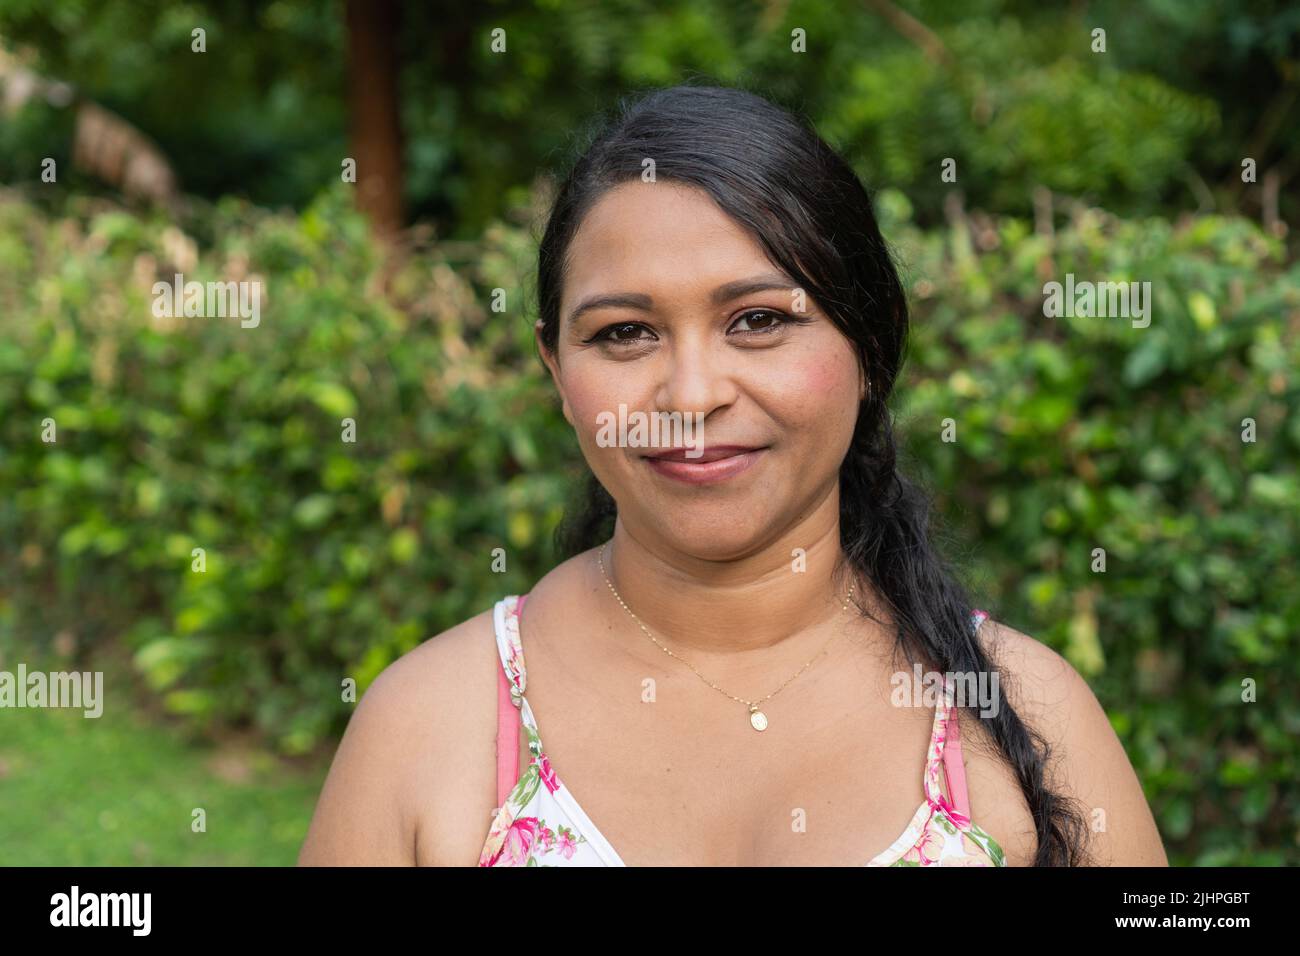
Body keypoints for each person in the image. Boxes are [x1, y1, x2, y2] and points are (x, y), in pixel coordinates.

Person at [298, 84, 1168, 867]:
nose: (692, 393)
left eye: (757, 320)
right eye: (624, 333)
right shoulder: (430, 725)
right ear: (556, 372)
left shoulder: (1023, 715)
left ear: (870, 344)